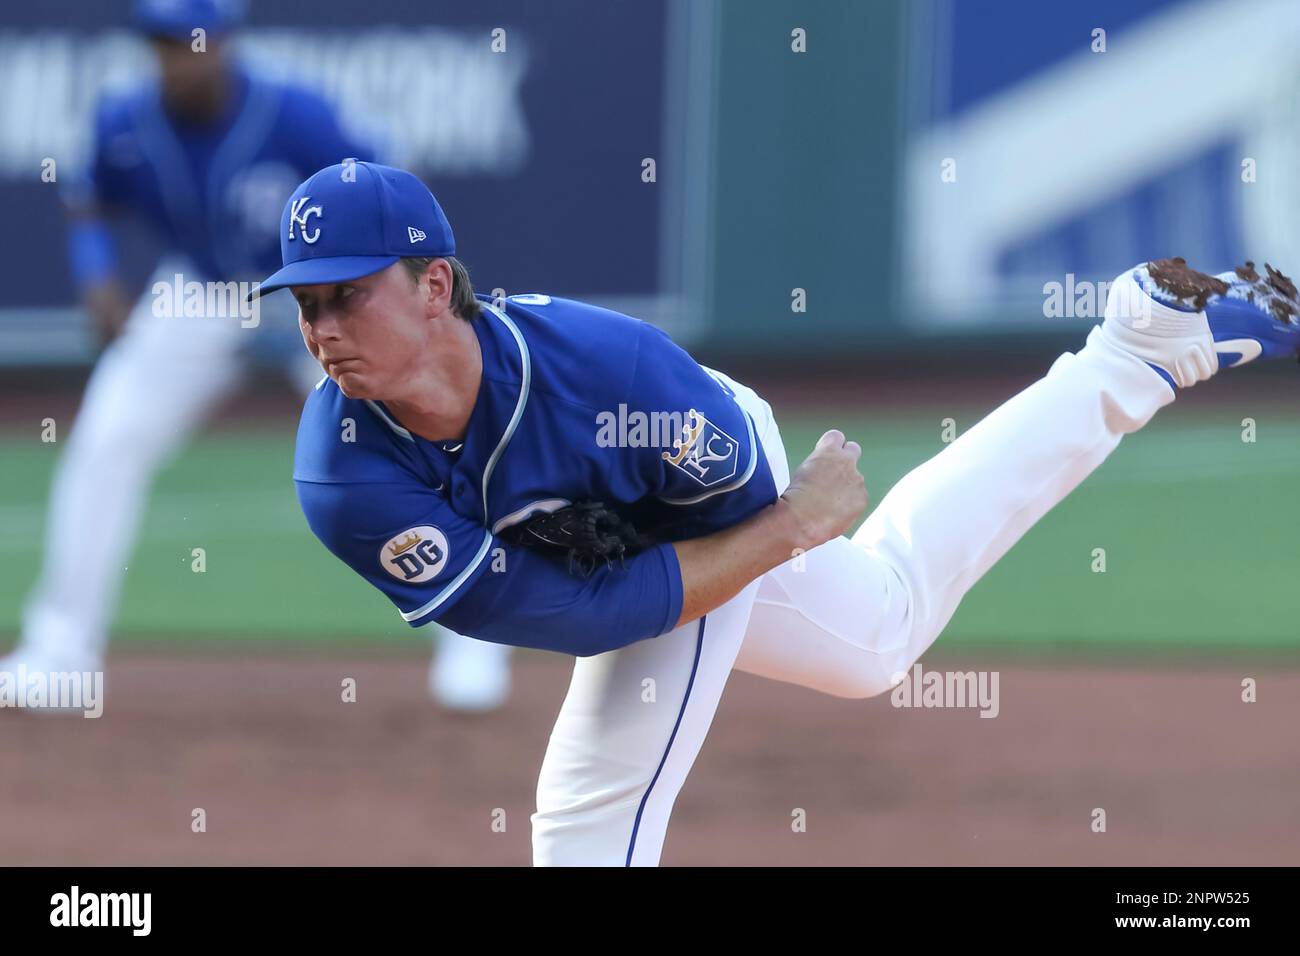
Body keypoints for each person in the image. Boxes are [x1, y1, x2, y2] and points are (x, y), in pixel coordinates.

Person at [257, 160, 1300, 866]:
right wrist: (784, 539)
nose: (321, 326)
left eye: (348, 293)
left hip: (716, 492)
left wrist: (786, 525)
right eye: (306, 304)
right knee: (878, 633)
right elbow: (555, 615)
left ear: (435, 284)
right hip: (644, 567)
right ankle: (1132, 353)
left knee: (590, 818)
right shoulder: (343, 474)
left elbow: (698, 550)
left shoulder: (617, 375)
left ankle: (1133, 358)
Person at [1, 0, 511, 712]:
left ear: (224, 42)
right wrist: (98, 280)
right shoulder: (125, 119)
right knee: (106, 438)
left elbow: (389, 190)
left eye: (186, 41)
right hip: (202, 293)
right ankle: (59, 650)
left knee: (417, 443)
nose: (174, 57)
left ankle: (475, 636)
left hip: (319, 293)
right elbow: (90, 199)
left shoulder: (296, 114)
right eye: (161, 43)